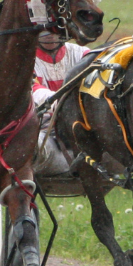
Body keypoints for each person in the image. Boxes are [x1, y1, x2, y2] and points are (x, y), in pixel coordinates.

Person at [32, 30, 90, 175]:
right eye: (42, 30)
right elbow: (33, 90)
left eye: (53, 29)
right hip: (44, 132)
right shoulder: (23, 59)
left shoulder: (83, 55)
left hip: (83, 131)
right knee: (32, 147)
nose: (49, 34)